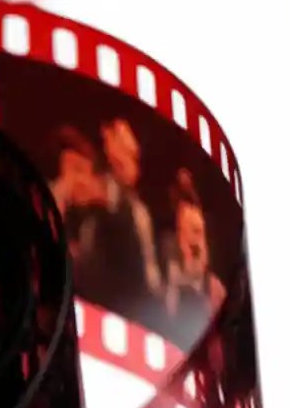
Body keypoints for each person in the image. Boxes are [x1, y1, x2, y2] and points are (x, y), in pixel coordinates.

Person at [71, 118, 161, 317]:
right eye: (126, 153)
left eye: (133, 156)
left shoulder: (138, 211)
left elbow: (148, 276)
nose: (131, 164)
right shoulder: (91, 192)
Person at [162, 168, 227, 323]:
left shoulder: (216, 292)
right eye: (185, 233)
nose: (196, 242)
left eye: (199, 232)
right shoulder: (164, 291)